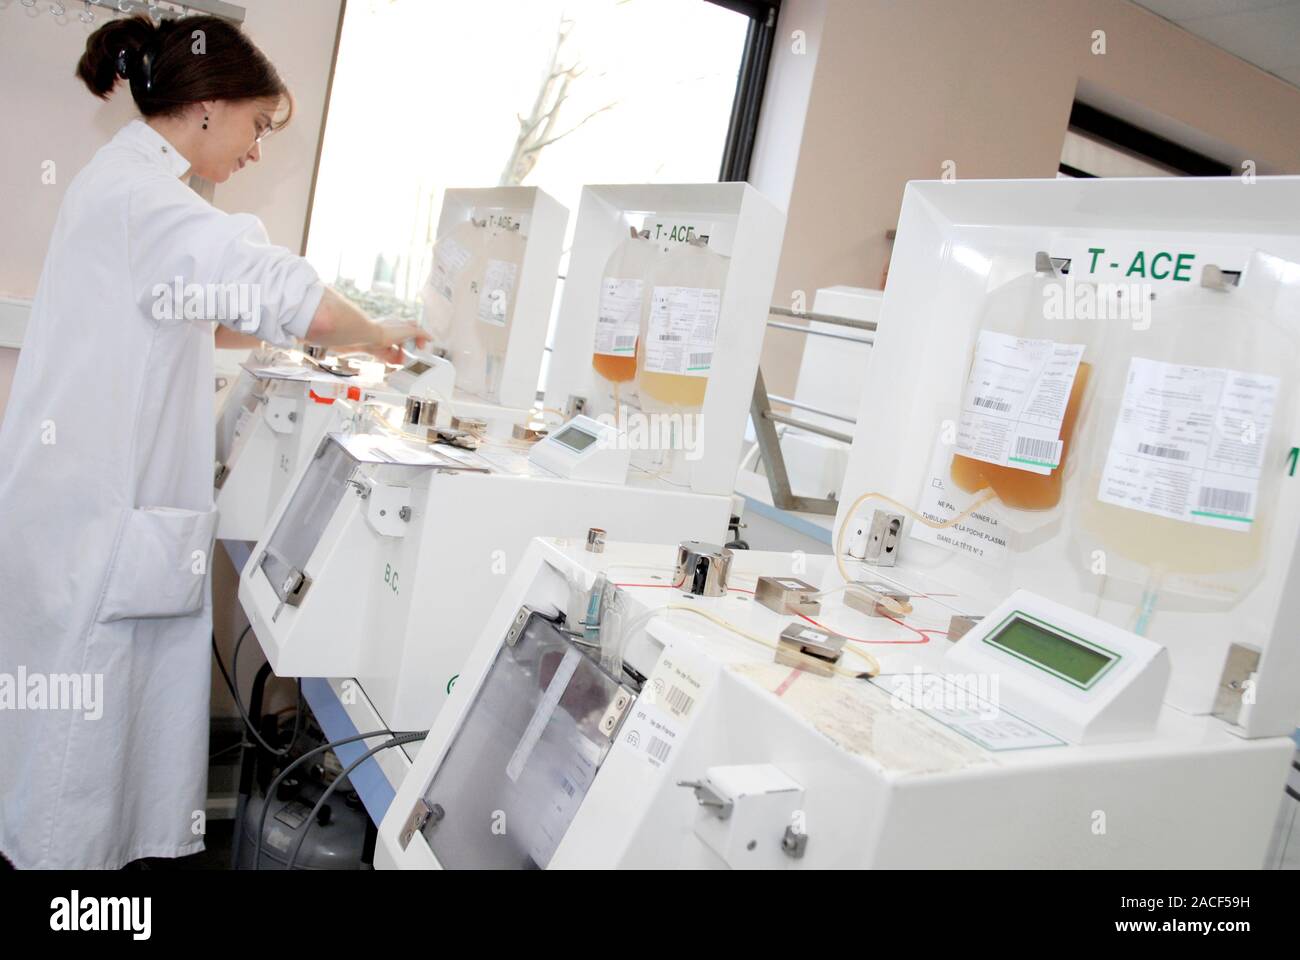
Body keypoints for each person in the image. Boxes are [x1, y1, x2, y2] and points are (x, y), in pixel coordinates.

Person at [0, 13, 424, 869]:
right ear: (209, 105)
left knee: (66, 758)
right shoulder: (148, 200)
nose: (258, 150)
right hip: (98, 525)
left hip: (73, 513)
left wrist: (293, 341)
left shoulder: (122, 184)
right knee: (72, 784)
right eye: (259, 125)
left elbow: (179, 311)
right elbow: (281, 290)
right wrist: (379, 333)